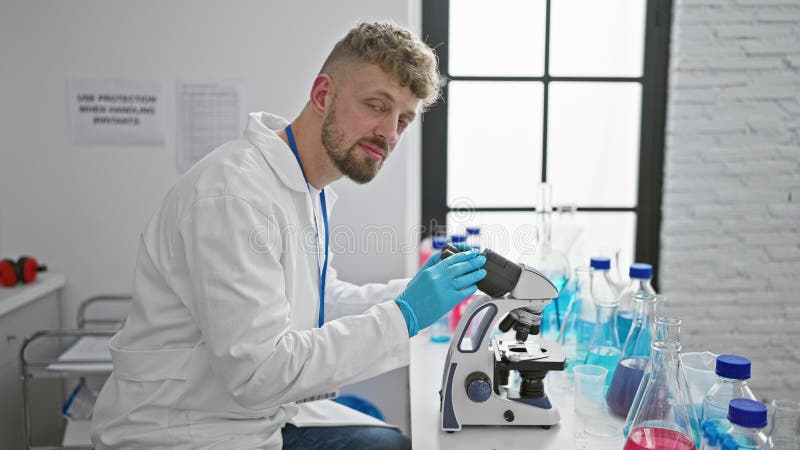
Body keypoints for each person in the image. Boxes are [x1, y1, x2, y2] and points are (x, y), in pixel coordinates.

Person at [91, 21, 487, 449]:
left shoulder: (304, 187)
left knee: (373, 420)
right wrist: (404, 315)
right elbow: (257, 374)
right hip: (181, 432)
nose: (390, 133)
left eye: (404, 120)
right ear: (323, 95)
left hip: (243, 414)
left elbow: (319, 303)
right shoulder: (235, 197)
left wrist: (412, 294)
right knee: (389, 445)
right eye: (376, 105)